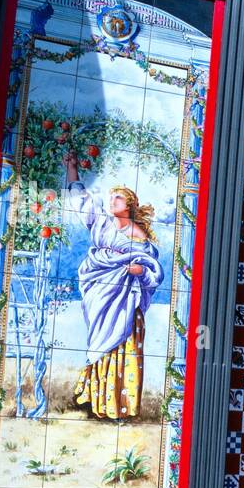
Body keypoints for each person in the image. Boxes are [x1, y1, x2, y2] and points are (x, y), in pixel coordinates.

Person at [63, 151, 164, 419]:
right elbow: (83, 204)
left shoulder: (138, 236)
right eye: (110, 197)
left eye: (117, 197)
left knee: (121, 347)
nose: (111, 201)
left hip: (125, 303)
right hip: (100, 296)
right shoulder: (104, 226)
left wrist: (140, 271)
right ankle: (92, 399)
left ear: (129, 204)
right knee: (99, 344)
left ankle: (117, 406)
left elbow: (153, 270)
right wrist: (72, 169)